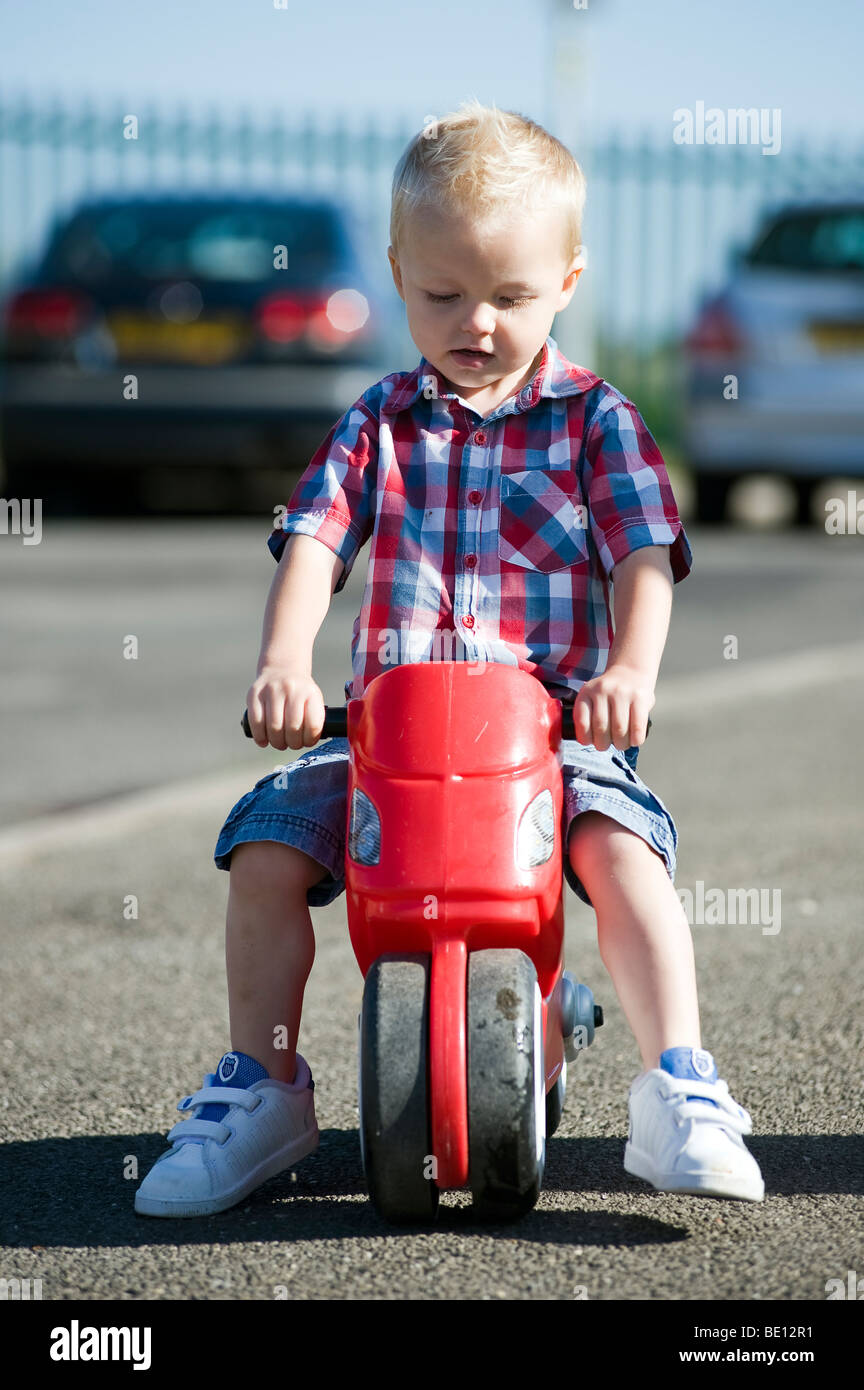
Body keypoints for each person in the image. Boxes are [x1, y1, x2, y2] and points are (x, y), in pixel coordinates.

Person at [135, 99, 764, 1217]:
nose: (476, 321)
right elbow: (318, 541)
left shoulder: (595, 422)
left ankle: (680, 1084)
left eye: (511, 296)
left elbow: (645, 558)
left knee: (624, 852)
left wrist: (629, 675)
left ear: (568, 280)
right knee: (269, 847)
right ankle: (264, 1081)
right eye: (442, 294)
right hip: (387, 747)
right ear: (396, 271)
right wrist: (286, 662)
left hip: (551, 747)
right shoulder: (377, 422)